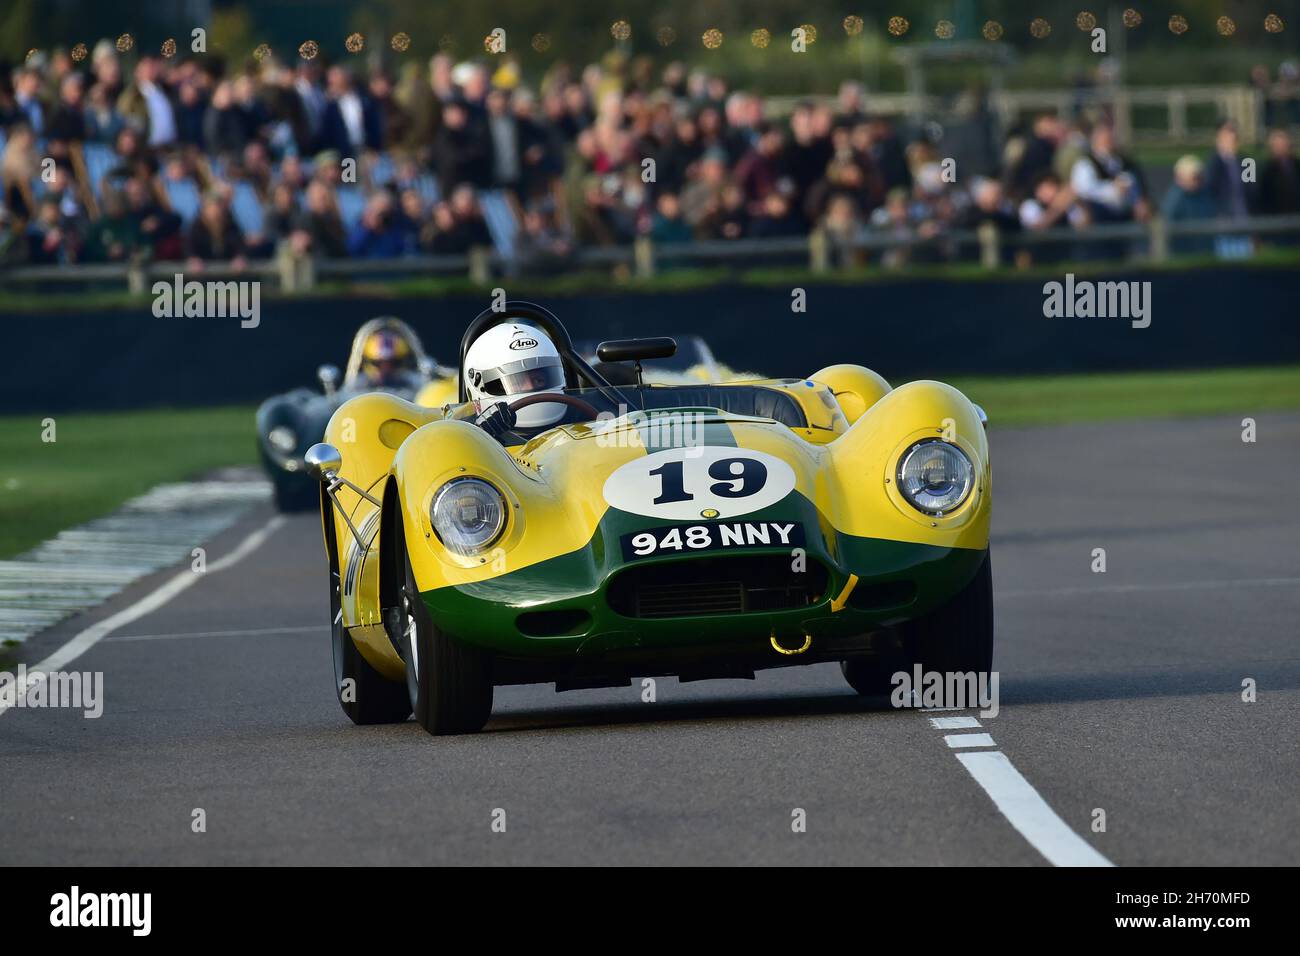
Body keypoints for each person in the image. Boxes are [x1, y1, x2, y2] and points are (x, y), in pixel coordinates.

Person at [463, 322, 570, 438]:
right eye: (517, 383)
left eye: (539, 380)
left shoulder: (581, 418)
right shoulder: (468, 442)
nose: (530, 388)